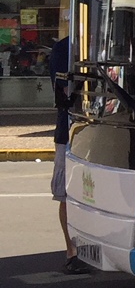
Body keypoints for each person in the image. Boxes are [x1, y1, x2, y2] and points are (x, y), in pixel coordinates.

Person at [49, 36, 88, 274]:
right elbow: (63, 90)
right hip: (70, 129)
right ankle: (71, 252)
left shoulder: (113, 41)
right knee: (66, 194)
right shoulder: (65, 48)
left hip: (103, 127)